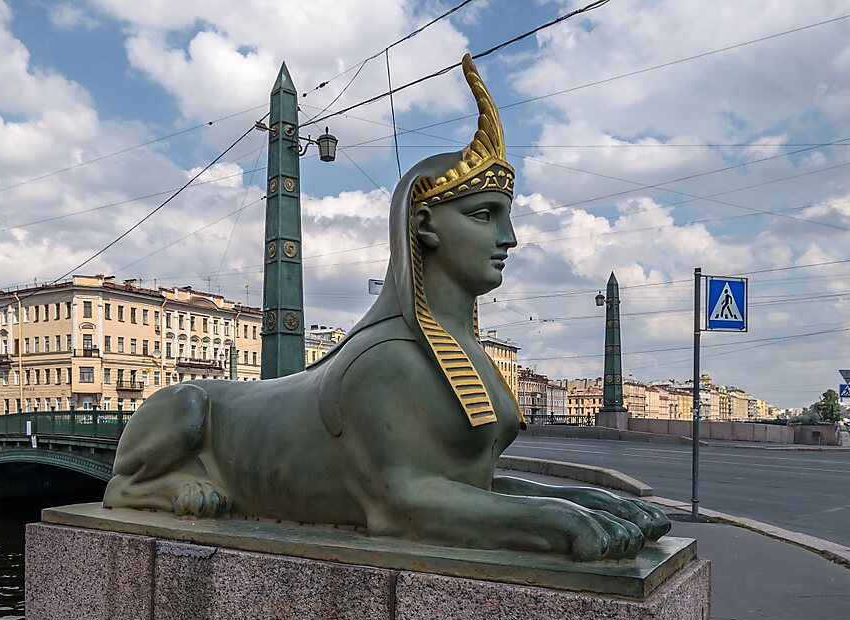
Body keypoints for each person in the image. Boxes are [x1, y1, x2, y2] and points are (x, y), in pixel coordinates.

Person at [104, 54, 669, 561]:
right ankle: (140, 486)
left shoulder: (447, 350)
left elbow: (467, 486)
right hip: (206, 425)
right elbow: (402, 507)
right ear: (423, 226)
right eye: (484, 215)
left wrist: (589, 501)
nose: (510, 237)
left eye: (505, 215)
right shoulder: (385, 363)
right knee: (187, 403)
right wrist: (565, 523)